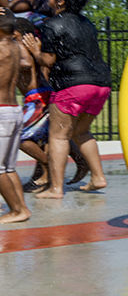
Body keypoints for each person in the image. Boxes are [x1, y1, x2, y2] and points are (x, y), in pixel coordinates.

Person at [20, 0, 111, 198]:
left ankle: (56, 188)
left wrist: (35, 50)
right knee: (81, 132)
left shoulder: (52, 24)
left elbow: (48, 60)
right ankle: (98, 177)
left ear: (60, 1)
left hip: (73, 85)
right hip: (100, 84)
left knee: (58, 137)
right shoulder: (87, 23)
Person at [11, 17, 90, 193]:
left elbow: (25, 64)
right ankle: (79, 160)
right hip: (35, 98)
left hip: (38, 98)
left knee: (20, 136)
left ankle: (49, 163)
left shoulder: (22, 47)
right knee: (48, 136)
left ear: (23, 35)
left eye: (13, 35)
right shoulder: (24, 46)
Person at [0, 11, 31, 222]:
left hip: (1, 112)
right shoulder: (15, 46)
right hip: (13, 109)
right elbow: (27, 62)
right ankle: (21, 208)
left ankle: (16, 211)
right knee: (9, 168)